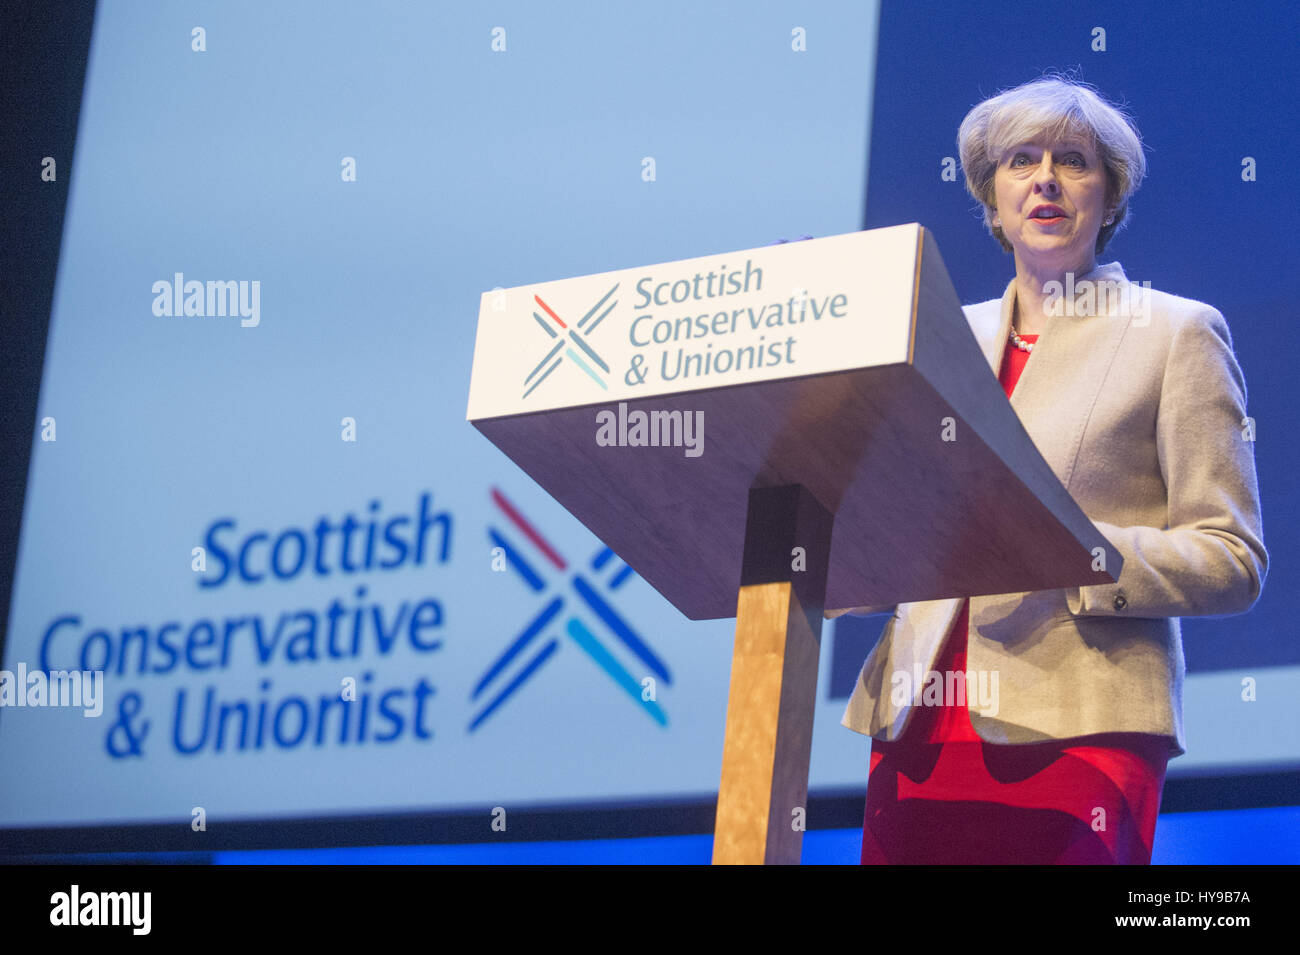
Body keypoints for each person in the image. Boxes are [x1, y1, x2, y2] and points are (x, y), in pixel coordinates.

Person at [827, 75, 1268, 864]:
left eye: (1073, 160)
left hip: (1080, 727)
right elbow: (891, 527)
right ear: (991, 200)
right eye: (1021, 161)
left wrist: (1076, 548)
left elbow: (1232, 557)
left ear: (1111, 194)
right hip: (920, 732)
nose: (1046, 179)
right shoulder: (934, 339)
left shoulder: (1177, 334)